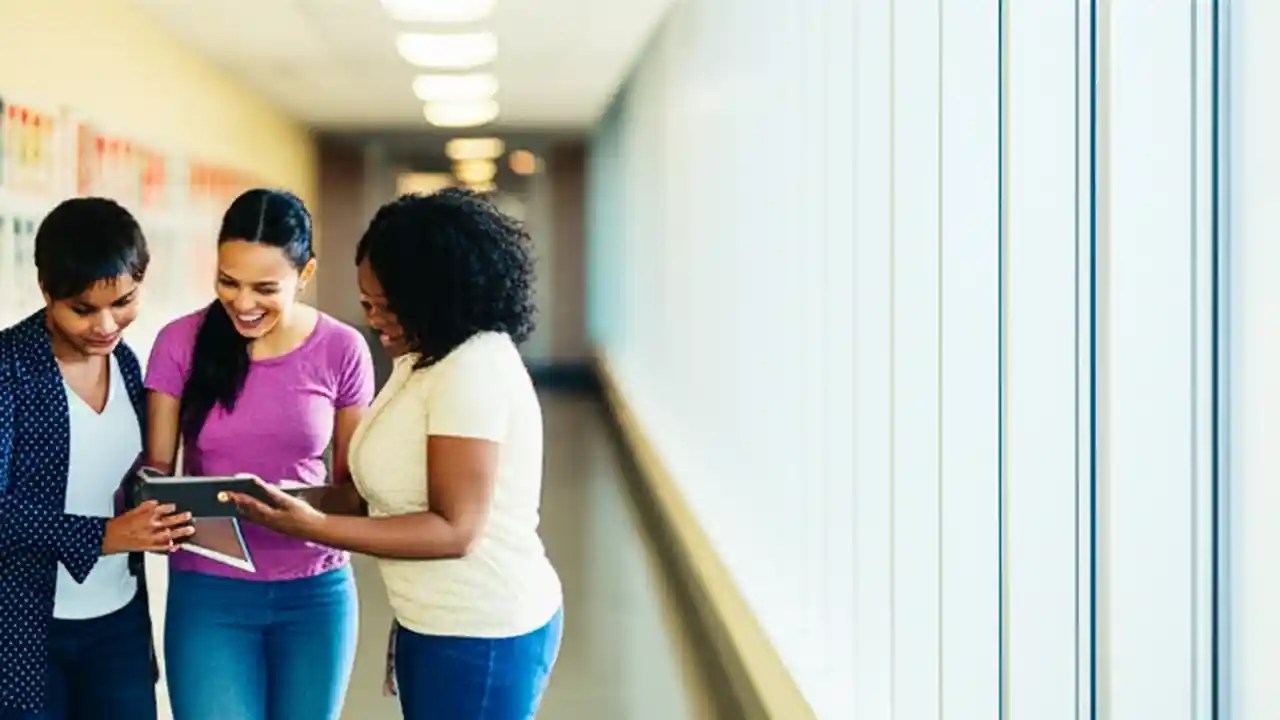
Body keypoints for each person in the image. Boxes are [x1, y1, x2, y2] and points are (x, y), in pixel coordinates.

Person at [229, 188, 565, 719]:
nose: (373, 319)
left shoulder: (472, 370)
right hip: (434, 621)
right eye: (367, 304)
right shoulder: (423, 359)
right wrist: (277, 500)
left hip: (482, 631)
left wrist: (311, 527)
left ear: (433, 297)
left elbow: (455, 530)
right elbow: (382, 496)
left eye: (386, 307)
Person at [142, 189, 375, 720]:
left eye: (265, 288)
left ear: (306, 272)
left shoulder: (342, 350)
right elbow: (156, 468)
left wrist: (292, 509)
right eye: (228, 281)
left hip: (315, 589)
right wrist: (151, 507)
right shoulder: (179, 342)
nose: (243, 304)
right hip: (209, 590)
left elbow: (350, 491)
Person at [0, 197, 195, 720]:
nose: (106, 326)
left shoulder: (130, 366)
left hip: (118, 625)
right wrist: (107, 536)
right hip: (22, 632)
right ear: (46, 292)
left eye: (125, 302)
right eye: (83, 310)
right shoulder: (9, 369)